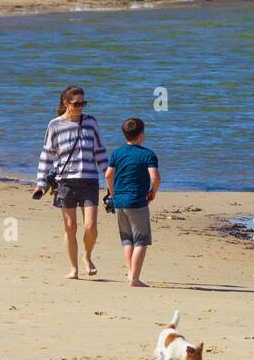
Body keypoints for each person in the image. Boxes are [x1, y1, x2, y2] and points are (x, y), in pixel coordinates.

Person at [33, 86, 108, 280]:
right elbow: (47, 155)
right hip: (65, 181)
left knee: (90, 226)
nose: (81, 107)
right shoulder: (55, 125)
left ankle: (87, 256)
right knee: (71, 226)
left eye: (83, 103)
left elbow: (99, 151)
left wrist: (108, 175)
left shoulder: (91, 122)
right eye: (77, 104)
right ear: (66, 103)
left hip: (90, 179)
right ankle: (73, 269)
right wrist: (40, 183)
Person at [104, 118, 161, 287]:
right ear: (142, 135)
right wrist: (153, 192)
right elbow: (155, 178)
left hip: (119, 200)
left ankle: (131, 274)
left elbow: (108, 175)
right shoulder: (148, 154)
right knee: (141, 240)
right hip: (137, 200)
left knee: (127, 239)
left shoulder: (117, 153)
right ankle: (134, 279)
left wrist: (112, 192)